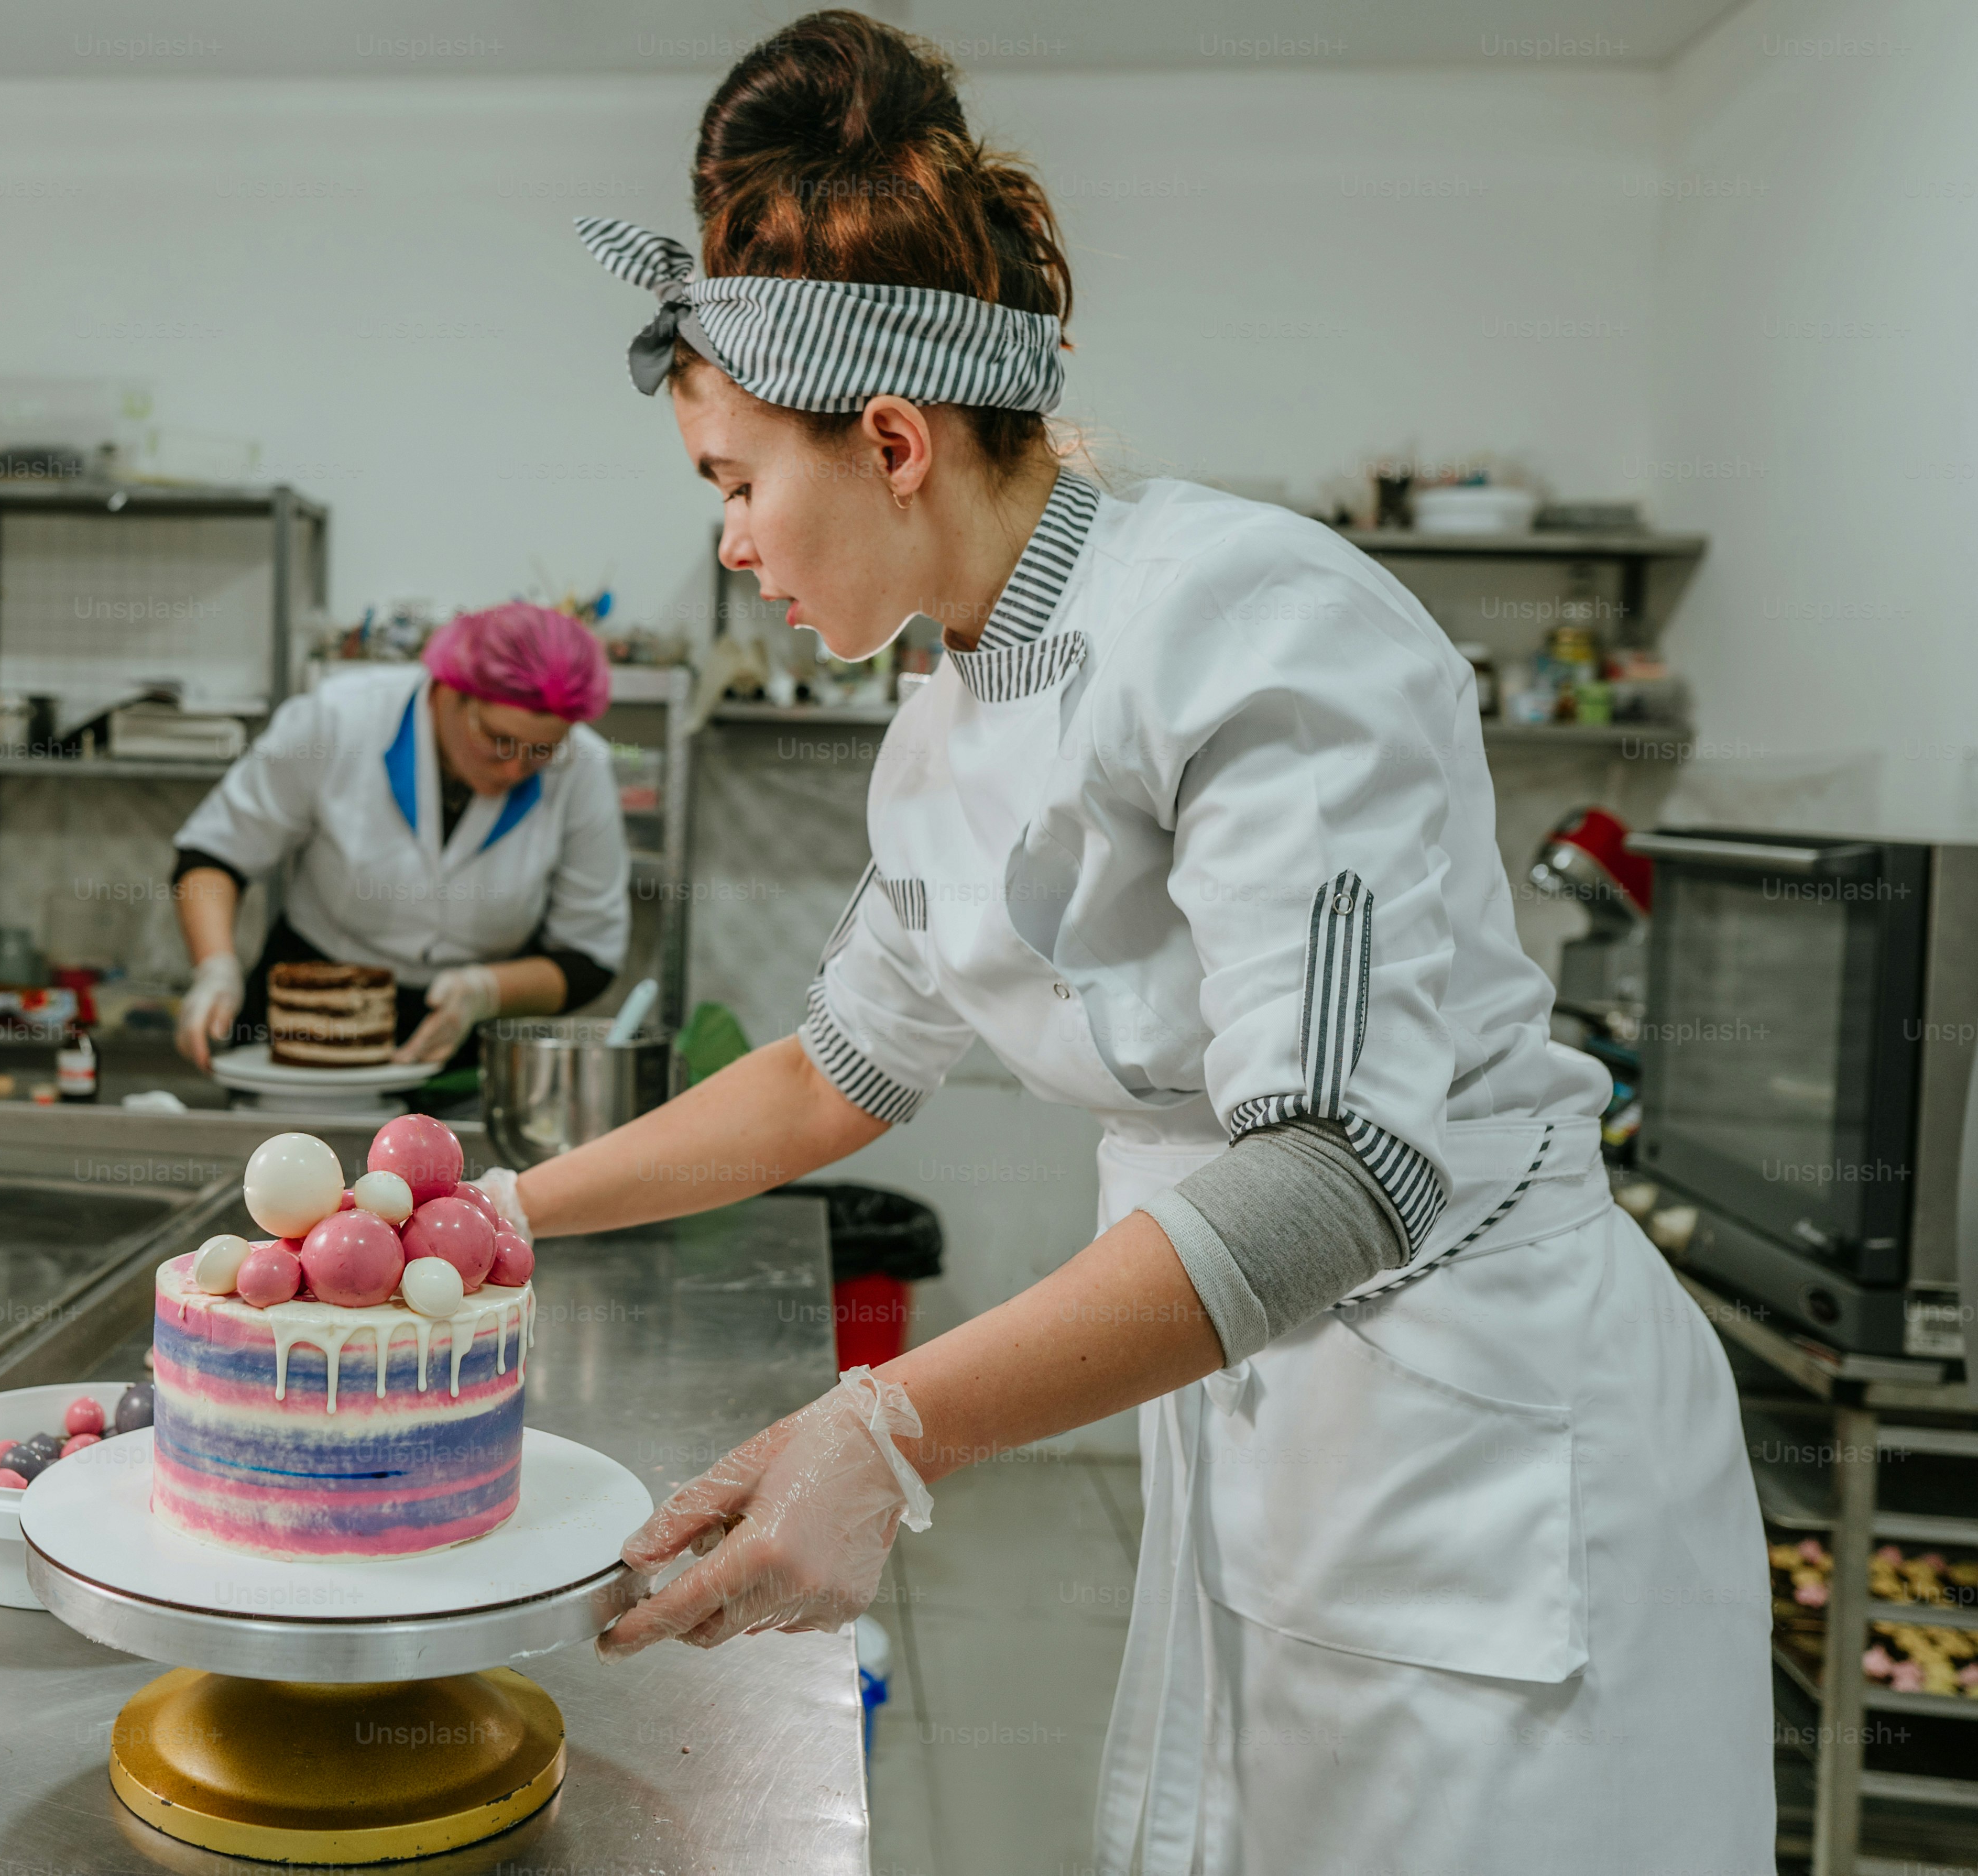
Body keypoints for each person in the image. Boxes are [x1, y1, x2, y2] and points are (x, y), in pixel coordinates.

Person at [505, 15, 1771, 1874]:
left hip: (1472, 1409)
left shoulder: (1252, 621)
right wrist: (495, 1217)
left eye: (731, 482)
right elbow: (839, 1069)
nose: (730, 546)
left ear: (890, 436)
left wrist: (888, 1426)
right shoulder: (944, 720)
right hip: (1260, 1391)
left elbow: (1343, 1163)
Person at [168, 602, 629, 1069]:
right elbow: (213, 854)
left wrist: (486, 992)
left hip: (466, 1044)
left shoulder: (582, 769)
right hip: (310, 1018)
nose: (515, 768)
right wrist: (216, 968)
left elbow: (588, 956)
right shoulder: (339, 719)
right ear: (452, 691)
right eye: (498, 741)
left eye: (541, 751)